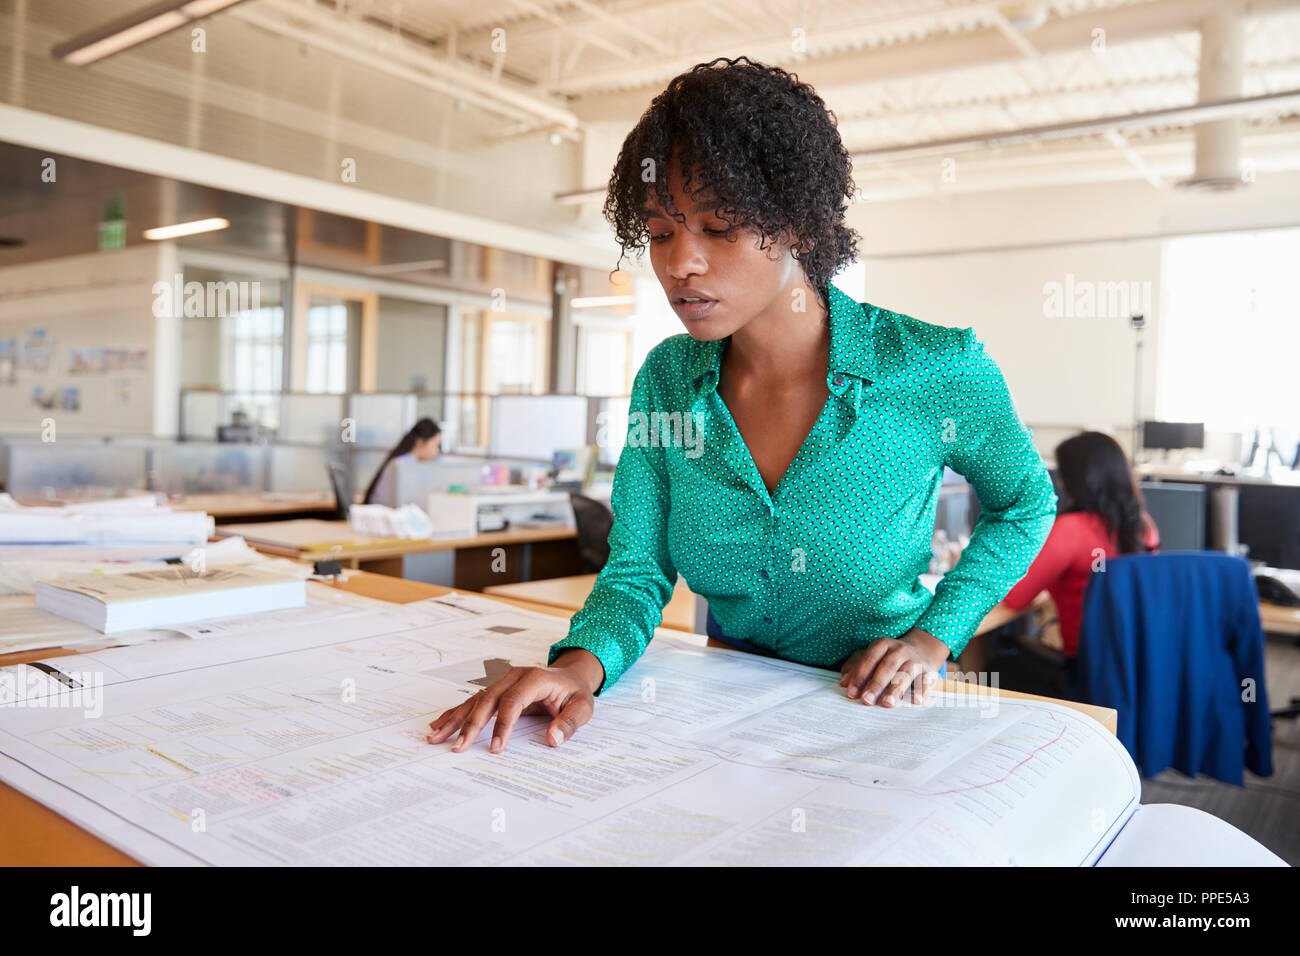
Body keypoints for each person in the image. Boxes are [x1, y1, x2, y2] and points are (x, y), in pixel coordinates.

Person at [428, 56, 1058, 755]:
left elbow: (1025, 502)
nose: (680, 263)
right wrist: (577, 669)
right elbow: (638, 571)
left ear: (800, 228)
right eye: (661, 231)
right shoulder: (668, 380)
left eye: (719, 226)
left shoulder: (932, 368)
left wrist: (934, 637)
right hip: (725, 709)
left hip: (880, 717)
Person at [999, 430, 1160, 659]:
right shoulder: (1144, 526)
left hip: (1086, 670)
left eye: (1064, 474)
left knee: (999, 663)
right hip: (1137, 665)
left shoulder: (1072, 529)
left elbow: (1014, 598)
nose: (1061, 482)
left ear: (1080, 479)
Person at [362, 418, 441, 507]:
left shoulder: (407, 462)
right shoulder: (403, 465)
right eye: (437, 445)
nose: (437, 451)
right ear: (420, 442)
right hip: (384, 514)